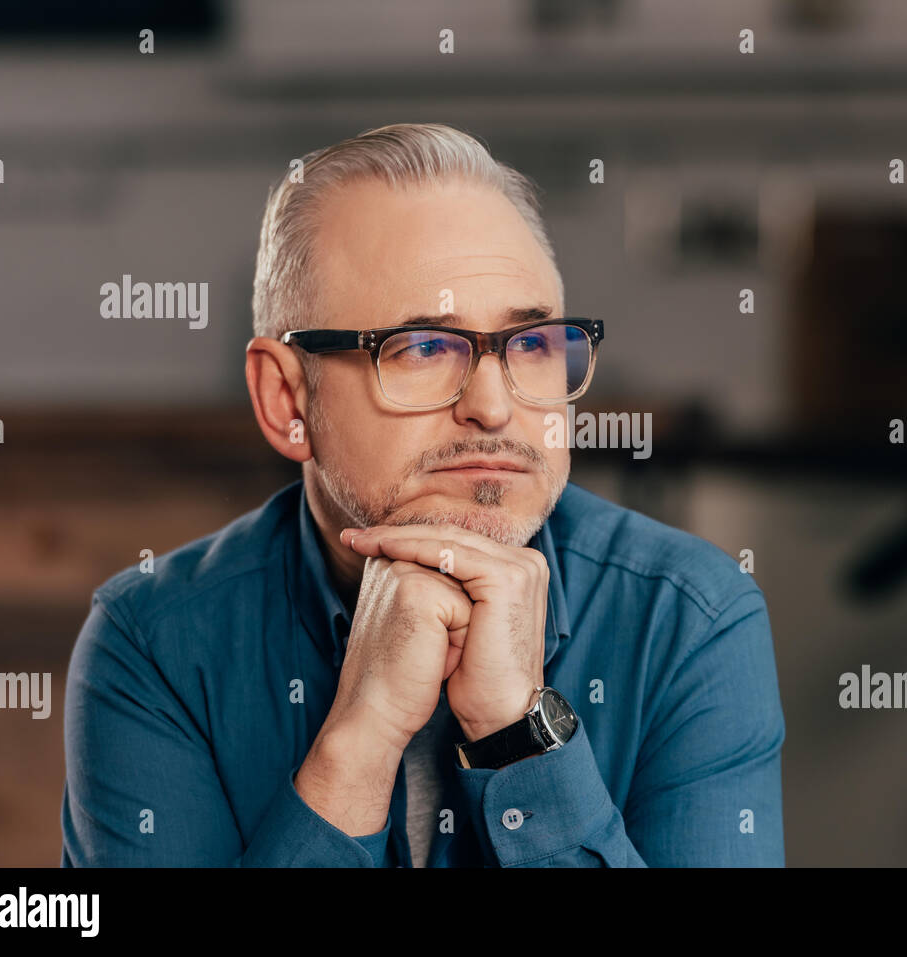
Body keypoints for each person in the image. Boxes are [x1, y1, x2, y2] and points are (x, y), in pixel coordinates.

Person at [61, 123, 785, 867]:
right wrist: (359, 738)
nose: (494, 407)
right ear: (286, 397)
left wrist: (518, 732)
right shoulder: (153, 644)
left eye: (532, 345)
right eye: (425, 348)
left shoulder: (692, 619)